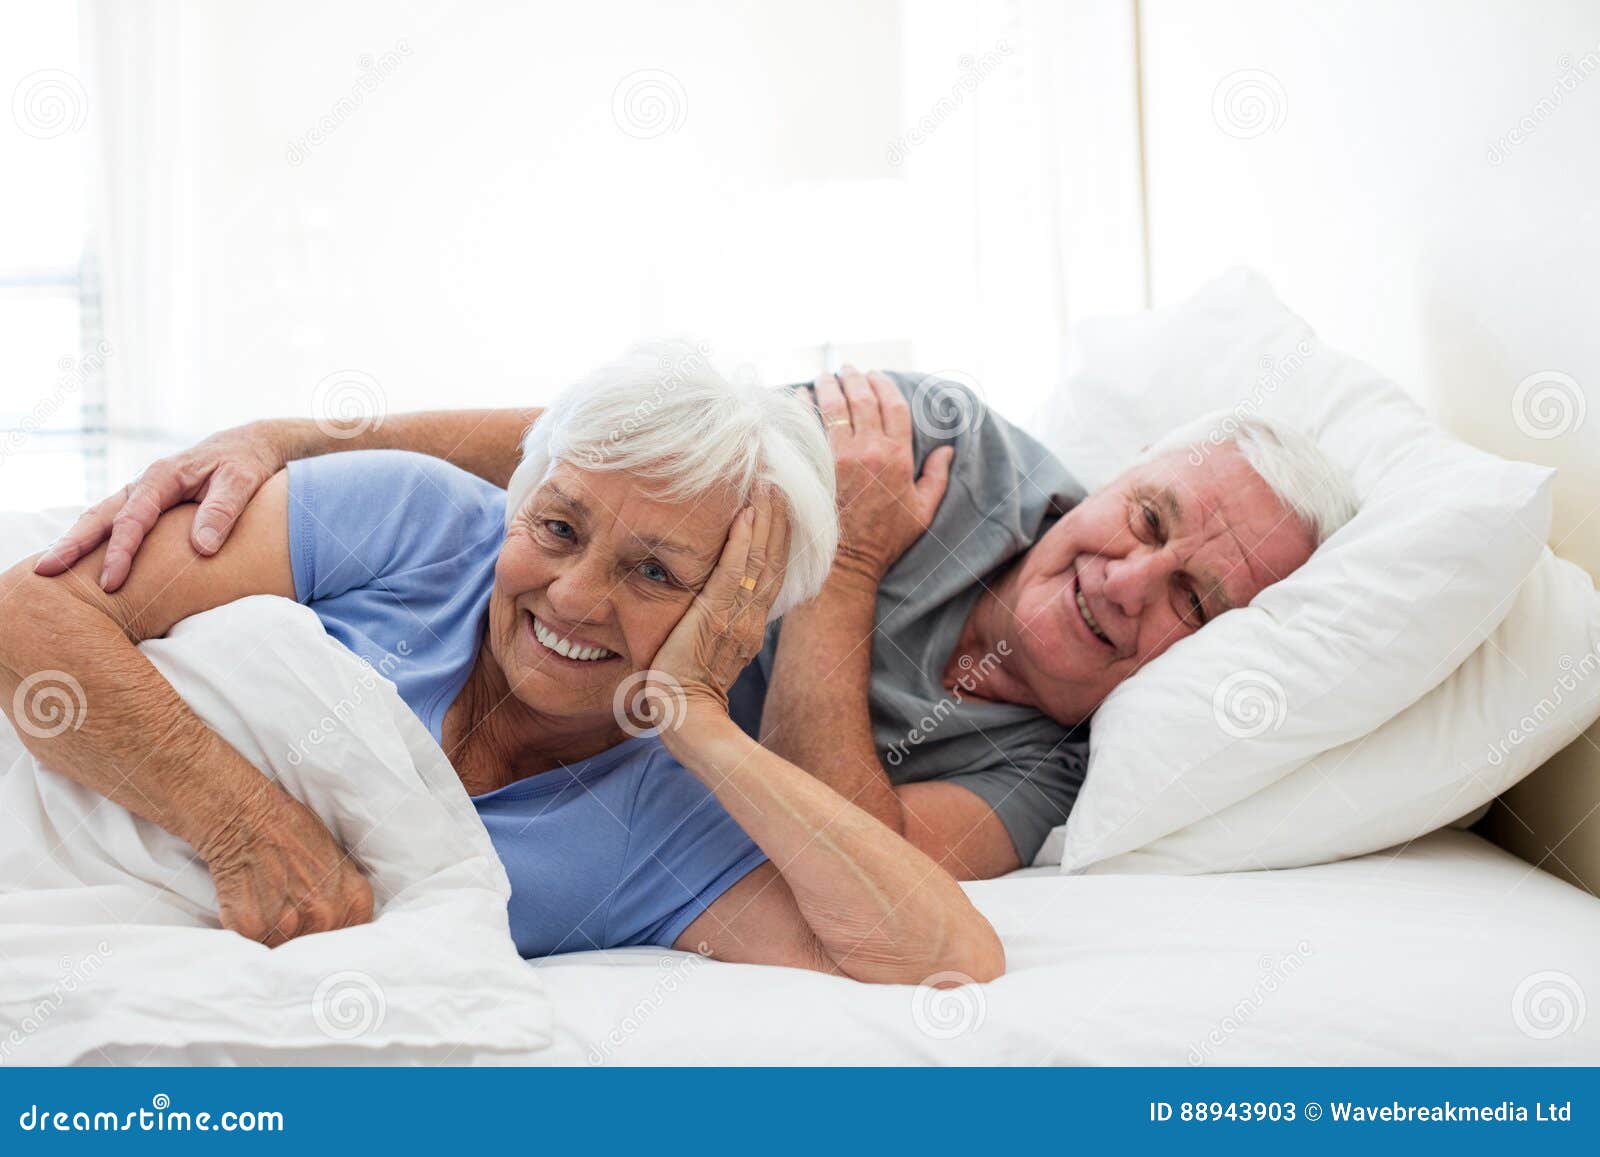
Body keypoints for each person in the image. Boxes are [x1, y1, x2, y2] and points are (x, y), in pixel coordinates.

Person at [34, 364, 1357, 880]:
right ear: (1113, 480)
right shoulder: (944, 447)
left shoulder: (1041, 775)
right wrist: (287, 434)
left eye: (1195, 594)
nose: (1130, 578)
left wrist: (843, 574)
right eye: (1150, 518)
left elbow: (847, 852)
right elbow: (625, 458)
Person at [2, 345, 1005, 984]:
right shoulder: (413, 518)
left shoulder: (671, 822)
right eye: (557, 526)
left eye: (654, 571)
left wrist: (693, 712)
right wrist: (242, 823)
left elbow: (944, 956)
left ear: (733, 614)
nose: (572, 596)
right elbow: (26, 609)